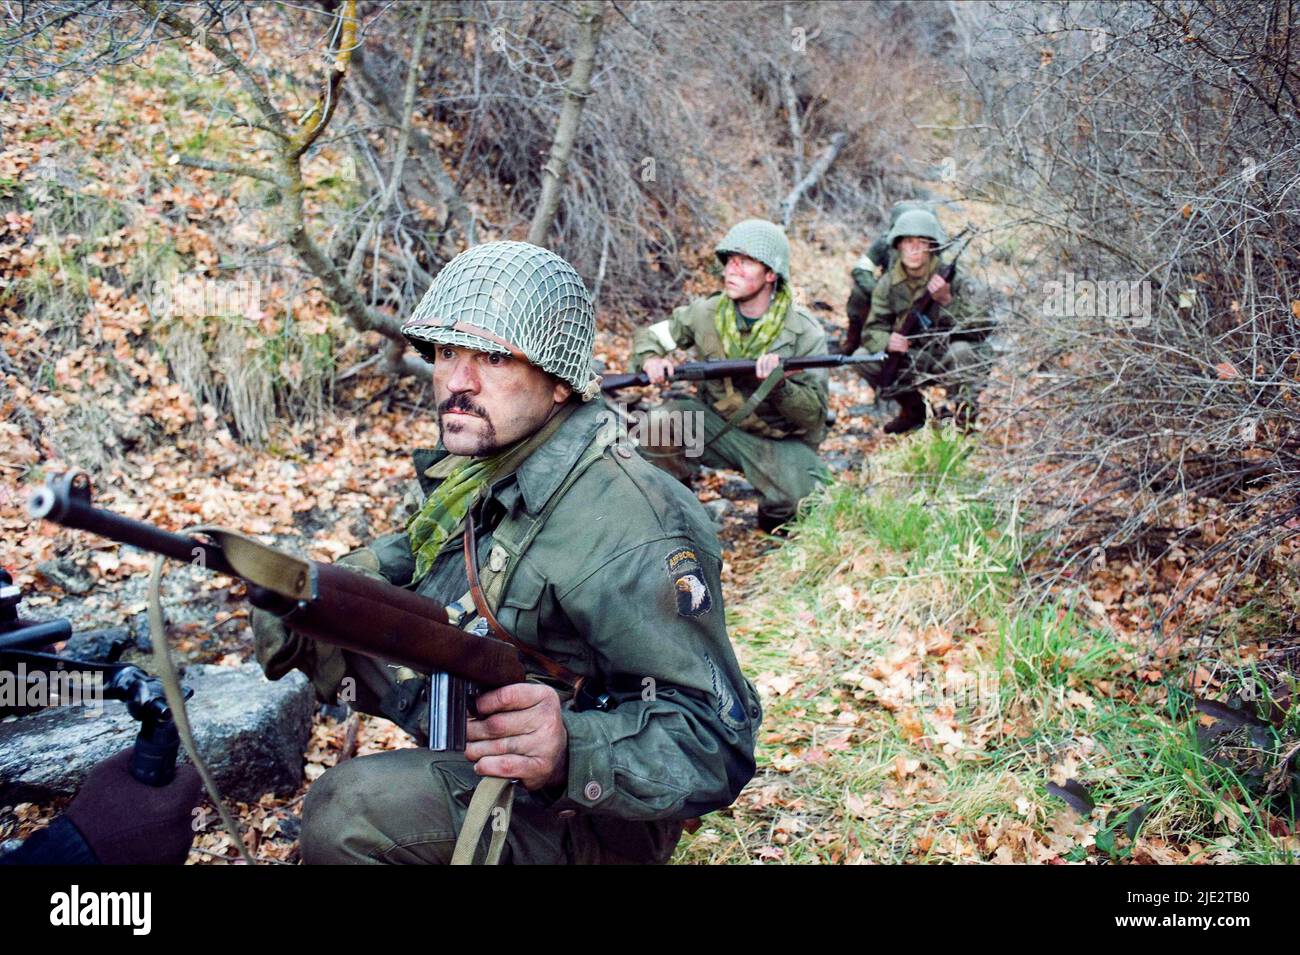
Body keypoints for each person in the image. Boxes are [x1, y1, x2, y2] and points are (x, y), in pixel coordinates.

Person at [251, 241, 760, 865]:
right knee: (308, 608)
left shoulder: (633, 520)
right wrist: (308, 589)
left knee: (348, 813)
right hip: (485, 735)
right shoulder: (491, 466)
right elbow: (416, 557)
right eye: (446, 353)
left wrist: (571, 747)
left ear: (558, 382)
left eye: (493, 356)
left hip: (591, 813)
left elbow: (719, 741)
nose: (457, 383)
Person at [629, 219, 830, 535]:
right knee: (658, 424)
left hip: (776, 439)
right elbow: (654, 336)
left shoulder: (803, 331)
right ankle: (675, 514)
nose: (732, 270)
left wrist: (780, 385)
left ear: (770, 275)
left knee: (806, 501)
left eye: (746, 262)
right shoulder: (704, 313)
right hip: (718, 427)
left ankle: (773, 514)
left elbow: (814, 417)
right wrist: (651, 358)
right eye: (730, 261)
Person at [846, 208, 991, 434]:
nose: (914, 249)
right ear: (898, 246)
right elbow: (873, 329)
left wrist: (947, 301)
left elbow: (982, 325)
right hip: (911, 355)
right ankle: (914, 411)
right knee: (862, 358)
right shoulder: (887, 283)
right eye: (908, 242)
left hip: (944, 354)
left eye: (922, 242)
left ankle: (965, 421)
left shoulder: (954, 277)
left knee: (963, 352)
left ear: (932, 247)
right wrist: (888, 341)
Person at [842, 199, 930, 348]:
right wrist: (877, 290)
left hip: (921, 296)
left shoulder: (934, 247)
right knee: (859, 294)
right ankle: (853, 341)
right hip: (887, 295)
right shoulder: (885, 243)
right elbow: (861, 269)